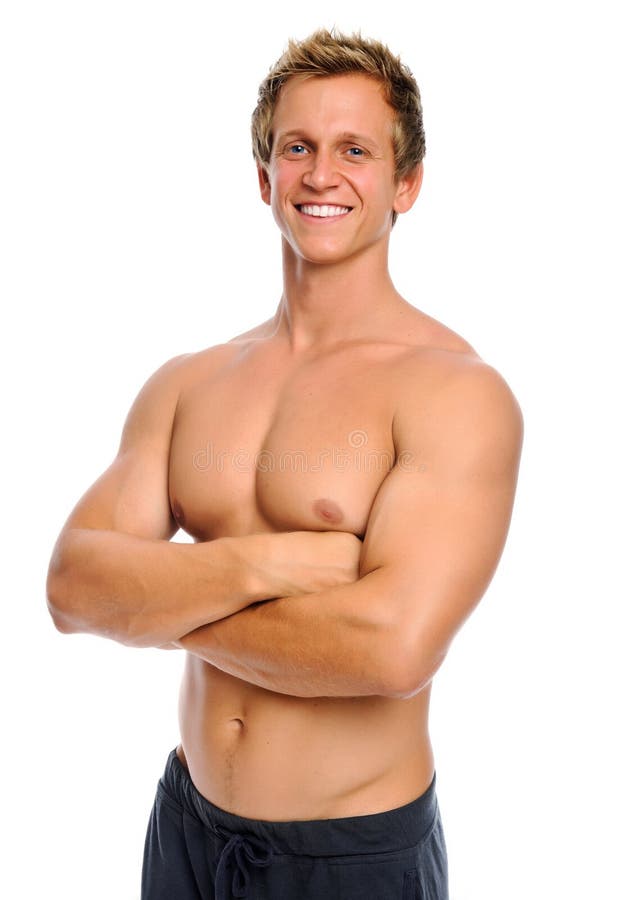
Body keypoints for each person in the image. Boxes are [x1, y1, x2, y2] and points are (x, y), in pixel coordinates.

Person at [46, 27, 523, 900]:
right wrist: (259, 566)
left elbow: (391, 651)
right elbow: (74, 587)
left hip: (349, 855)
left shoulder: (455, 393)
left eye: (355, 151)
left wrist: (155, 608)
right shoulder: (188, 382)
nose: (320, 174)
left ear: (406, 183)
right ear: (264, 177)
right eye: (297, 147)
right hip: (186, 826)